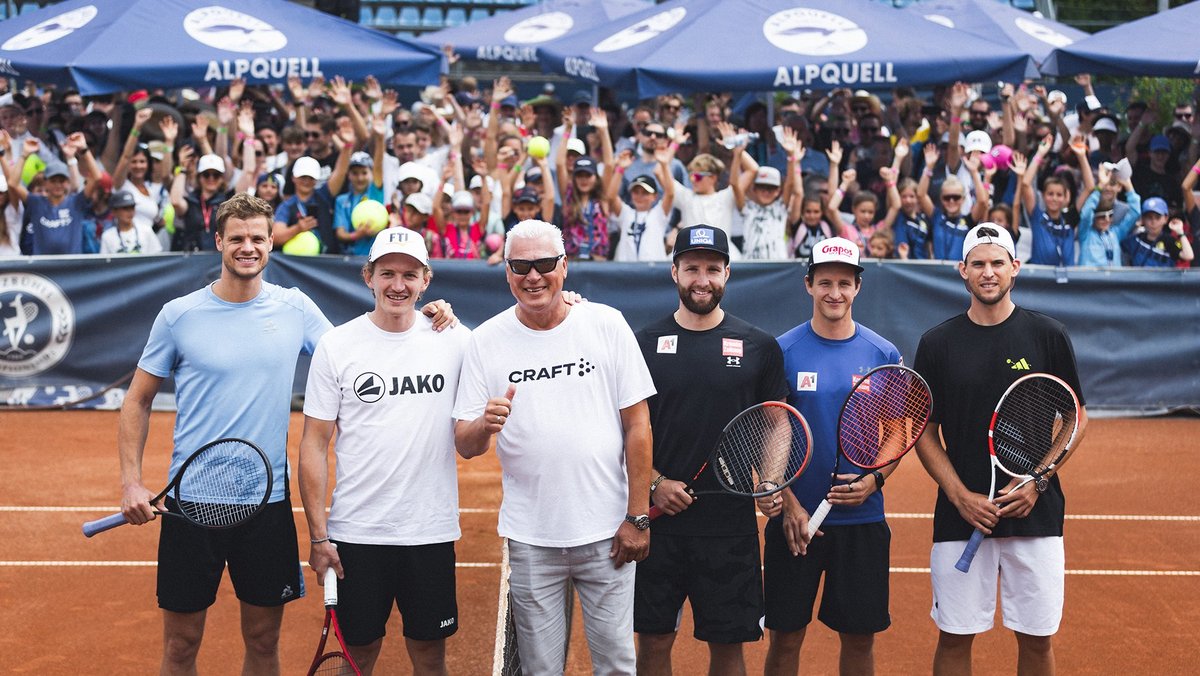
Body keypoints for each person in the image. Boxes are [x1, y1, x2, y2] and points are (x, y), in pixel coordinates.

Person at [116, 193, 332, 674]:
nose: (248, 247)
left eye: (258, 238)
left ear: (272, 243)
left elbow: (356, 353)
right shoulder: (178, 314)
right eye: (237, 238)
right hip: (189, 505)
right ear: (219, 242)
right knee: (180, 645)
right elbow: (137, 399)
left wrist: (422, 318)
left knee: (262, 639)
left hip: (267, 503)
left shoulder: (296, 308)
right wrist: (131, 481)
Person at [453, 219, 655, 675]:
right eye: (520, 265)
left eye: (544, 263)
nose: (533, 276)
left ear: (564, 267)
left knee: (617, 665)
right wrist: (484, 425)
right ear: (506, 272)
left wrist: (637, 517)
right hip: (531, 539)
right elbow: (465, 445)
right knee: (541, 670)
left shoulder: (606, 324)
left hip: (608, 533)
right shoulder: (486, 340)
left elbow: (637, 425)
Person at [913, 224, 1089, 676]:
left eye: (997, 263)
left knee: (1036, 640)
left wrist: (1038, 479)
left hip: (1037, 514)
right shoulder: (937, 343)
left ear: (1015, 267)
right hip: (960, 516)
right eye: (978, 264)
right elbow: (925, 430)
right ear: (962, 270)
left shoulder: (1048, 335)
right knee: (954, 639)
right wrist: (958, 495)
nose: (987, 273)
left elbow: (1075, 416)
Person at [299, 226, 470, 674]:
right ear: (368, 276)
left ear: (426, 280)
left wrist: (571, 303)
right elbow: (314, 445)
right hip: (357, 534)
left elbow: (517, 335)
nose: (398, 285)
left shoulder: (453, 338)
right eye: (387, 273)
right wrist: (319, 537)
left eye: (410, 274)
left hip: (429, 531)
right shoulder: (336, 346)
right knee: (358, 655)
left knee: (430, 656)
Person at [634, 225, 789, 675]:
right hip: (657, 523)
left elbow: (777, 420)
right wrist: (656, 483)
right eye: (692, 268)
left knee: (728, 648)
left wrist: (771, 478)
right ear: (674, 272)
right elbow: (627, 428)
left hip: (729, 527)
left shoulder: (760, 346)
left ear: (727, 274)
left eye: (712, 269)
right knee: (655, 641)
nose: (702, 279)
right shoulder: (642, 344)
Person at [764, 237, 903, 676]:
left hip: (862, 522)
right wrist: (789, 506)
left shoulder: (883, 354)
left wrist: (875, 480)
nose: (835, 293)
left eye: (844, 283)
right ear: (808, 284)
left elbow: (899, 430)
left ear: (857, 287)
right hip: (795, 524)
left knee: (859, 643)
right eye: (825, 282)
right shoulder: (781, 352)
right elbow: (770, 432)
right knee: (785, 640)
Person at [99, 190, 162, 254]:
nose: (130, 212)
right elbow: (105, 261)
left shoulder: (146, 230)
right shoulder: (107, 236)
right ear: (114, 211)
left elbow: (157, 256)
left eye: (132, 207)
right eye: (125, 208)